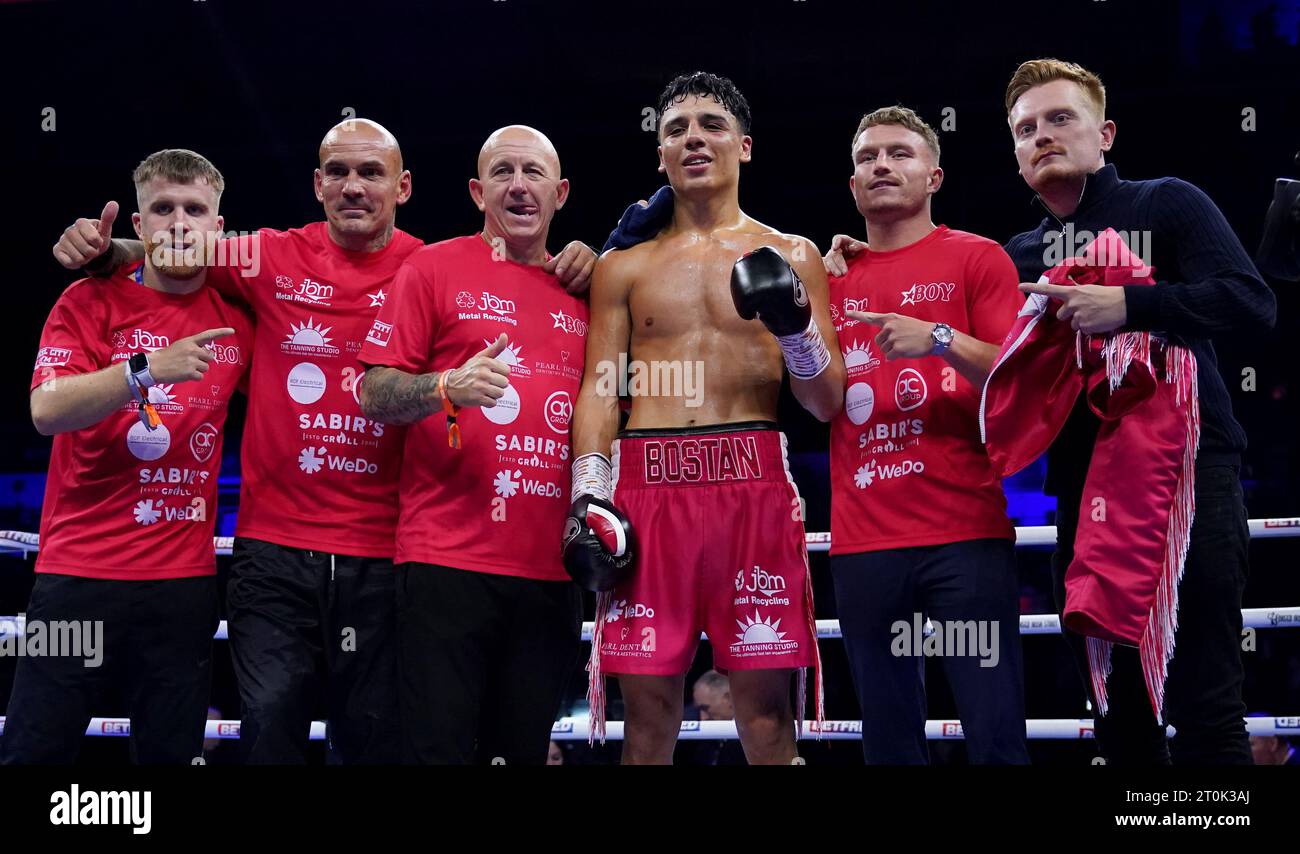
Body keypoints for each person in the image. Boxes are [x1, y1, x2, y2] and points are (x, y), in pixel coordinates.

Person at [52, 120, 596, 764]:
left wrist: (584, 263)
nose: (354, 187)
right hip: (273, 551)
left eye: (371, 173)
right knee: (272, 718)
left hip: (381, 556)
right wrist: (106, 249)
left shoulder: (428, 266)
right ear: (318, 184)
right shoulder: (270, 257)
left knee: (373, 739)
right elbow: (178, 244)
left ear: (404, 186)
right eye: (338, 172)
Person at [1001, 58, 1275, 764]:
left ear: (1106, 135)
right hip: (1085, 493)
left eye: (1061, 119)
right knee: (1118, 713)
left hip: (1189, 477)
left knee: (1206, 702)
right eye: (1026, 128)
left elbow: (1251, 302)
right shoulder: (1022, 255)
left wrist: (1132, 305)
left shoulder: (1165, 202)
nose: (1043, 137)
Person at [569, 71, 844, 765]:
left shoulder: (795, 253)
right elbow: (602, 388)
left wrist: (794, 328)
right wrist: (588, 497)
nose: (693, 138)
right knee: (648, 720)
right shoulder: (622, 268)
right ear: (659, 154)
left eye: (711, 125)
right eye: (675, 129)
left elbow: (825, 400)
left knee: (767, 717)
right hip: (645, 489)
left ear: (744, 146)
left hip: (751, 486)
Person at [2, 149, 252, 764]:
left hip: (182, 588)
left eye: (195, 210)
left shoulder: (239, 321)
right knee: (33, 753)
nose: (178, 223)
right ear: (136, 226)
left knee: (167, 757)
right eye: (162, 208)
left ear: (220, 228)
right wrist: (143, 371)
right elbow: (47, 410)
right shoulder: (87, 301)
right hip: (75, 579)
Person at [358, 126, 586, 765]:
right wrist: (443, 386)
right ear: (476, 190)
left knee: (522, 753)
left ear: (560, 192)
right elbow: (373, 391)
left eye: (534, 173)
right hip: (444, 562)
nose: (519, 185)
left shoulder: (587, 288)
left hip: (550, 570)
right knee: (437, 753)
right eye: (503, 172)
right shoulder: (431, 268)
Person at [820, 106, 1029, 764]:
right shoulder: (825, 280)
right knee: (889, 745)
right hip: (864, 543)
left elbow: (1018, 372)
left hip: (964, 535)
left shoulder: (978, 257)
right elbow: (817, 402)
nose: (882, 165)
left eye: (900, 154)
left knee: (994, 733)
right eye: (867, 157)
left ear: (934, 175)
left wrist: (936, 339)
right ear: (852, 186)